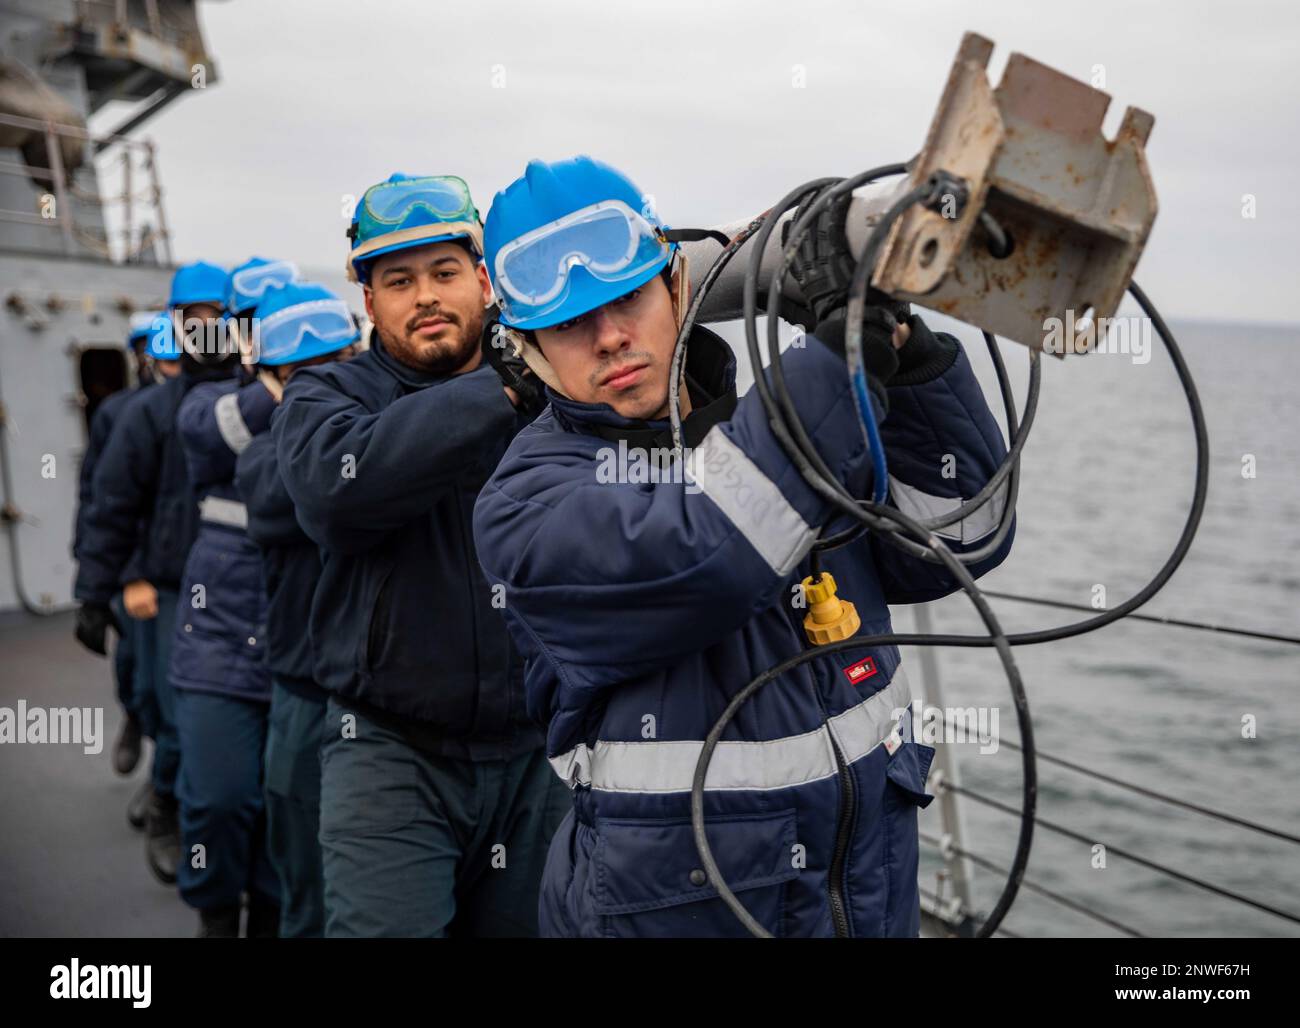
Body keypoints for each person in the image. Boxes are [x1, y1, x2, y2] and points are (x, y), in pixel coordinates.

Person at [472, 155, 1016, 938]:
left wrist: (909, 359)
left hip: (862, 898)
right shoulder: (527, 503)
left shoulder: (768, 437)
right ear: (528, 348)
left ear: (677, 288)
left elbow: (960, 536)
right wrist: (833, 360)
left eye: (626, 298)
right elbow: (704, 553)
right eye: (567, 324)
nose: (611, 338)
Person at [272, 173, 566, 937]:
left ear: (483, 281)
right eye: (398, 281)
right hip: (389, 757)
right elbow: (339, 497)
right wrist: (503, 387)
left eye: (443, 274)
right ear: (369, 302)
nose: (426, 296)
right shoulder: (326, 396)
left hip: (540, 753)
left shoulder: (554, 389)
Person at [74, 263, 229, 886]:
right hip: (165, 586)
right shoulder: (142, 414)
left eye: (218, 318)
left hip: (244, 588)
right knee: (171, 711)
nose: (206, 329)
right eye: (194, 319)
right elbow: (111, 503)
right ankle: (168, 806)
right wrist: (106, 587)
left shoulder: (257, 399)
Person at [166, 257, 299, 938]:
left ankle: (270, 919)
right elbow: (210, 431)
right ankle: (216, 914)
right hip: (217, 640)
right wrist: (279, 382)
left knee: (284, 808)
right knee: (219, 799)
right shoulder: (212, 393)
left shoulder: (337, 378)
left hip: (299, 645)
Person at [234, 282, 360, 938]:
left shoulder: (391, 432)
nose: (319, 384)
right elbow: (283, 498)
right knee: (307, 887)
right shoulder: (266, 460)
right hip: (306, 697)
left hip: (383, 705)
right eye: (301, 375)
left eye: (337, 364)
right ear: (272, 384)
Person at [73, 314, 169, 827]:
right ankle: (135, 719)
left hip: (187, 575)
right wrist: (103, 581)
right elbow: (100, 497)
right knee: (139, 670)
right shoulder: (119, 414)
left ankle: (165, 780)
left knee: (175, 686)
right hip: (138, 571)